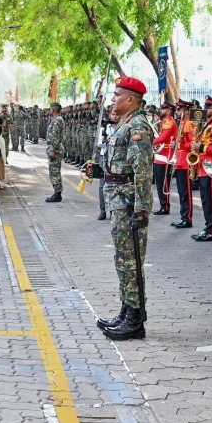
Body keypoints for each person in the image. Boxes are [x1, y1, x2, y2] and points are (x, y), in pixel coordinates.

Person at [93, 77, 154, 340]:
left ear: (131, 99)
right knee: (122, 259)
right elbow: (121, 165)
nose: (113, 99)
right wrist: (99, 171)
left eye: (117, 94)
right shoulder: (124, 124)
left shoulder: (138, 126)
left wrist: (141, 208)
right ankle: (126, 310)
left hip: (129, 202)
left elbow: (142, 171)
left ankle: (135, 320)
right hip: (118, 199)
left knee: (131, 260)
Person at [192, 97, 212, 242]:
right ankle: (207, 227)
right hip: (202, 165)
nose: (204, 110)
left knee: (210, 198)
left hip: (210, 166)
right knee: (205, 199)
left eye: (208, 107)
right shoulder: (207, 124)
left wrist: (201, 147)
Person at [170, 101, 197, 229]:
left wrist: (178, 144)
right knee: (181, 191)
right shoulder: (182, 123)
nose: (177, 112)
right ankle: (183, 216)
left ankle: (187, 218)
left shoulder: (189, 124)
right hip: (180, 161)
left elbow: (192, 143)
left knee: (186, 192)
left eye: (179, 110)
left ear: (186, 111)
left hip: (186, 161)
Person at [152, 102, 176, 215]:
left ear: (169, 111)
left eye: (163, 108)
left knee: (163, 182)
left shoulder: (169, 122)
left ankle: (165, 205)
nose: (160, 110)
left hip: (166, 155)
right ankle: (163, 205)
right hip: (161, 155)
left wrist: (149, 140)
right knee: (159, 181)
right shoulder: (165, 122)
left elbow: (162, 138)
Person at [45, 103, 64, 202]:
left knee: (54, 172)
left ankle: (57, 194)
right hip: (55, 148)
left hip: (55, 150)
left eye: (50, 109)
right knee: (55, 172)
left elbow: (56, 137)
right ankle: (57, 192)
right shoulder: (56, 120)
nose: (49, 111)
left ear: (53, 110)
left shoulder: (57, 120)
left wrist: (52, 150)